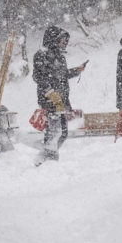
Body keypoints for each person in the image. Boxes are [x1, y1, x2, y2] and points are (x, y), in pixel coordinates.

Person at [32, 25, 86, 164]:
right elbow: (38, 77)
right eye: (62, 40)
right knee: (54, 132)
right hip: (50, 100)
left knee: (63, 133)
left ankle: (45, 156)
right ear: (53, 39)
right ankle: (48, 159)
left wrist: (76, 71)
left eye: (65, 41)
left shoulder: (60, 57)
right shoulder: (41, 55)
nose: (64, 43)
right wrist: (50, 92)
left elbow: (62, 75)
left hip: (61, 100)